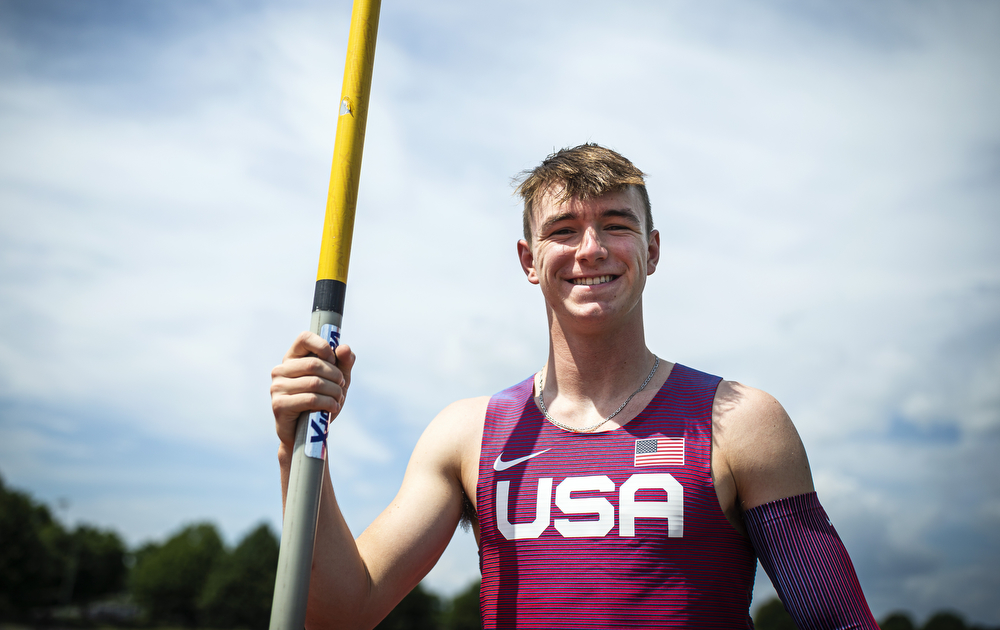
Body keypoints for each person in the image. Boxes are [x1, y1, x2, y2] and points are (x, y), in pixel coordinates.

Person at [270, 144, 878, 629]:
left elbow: (838, 621)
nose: (590, 249)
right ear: (528, 259)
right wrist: (298, 448)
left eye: (616, 225)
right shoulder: (469, 436)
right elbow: (341, 614)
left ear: (652, 249)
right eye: (563, 230)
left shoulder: (738, 421)